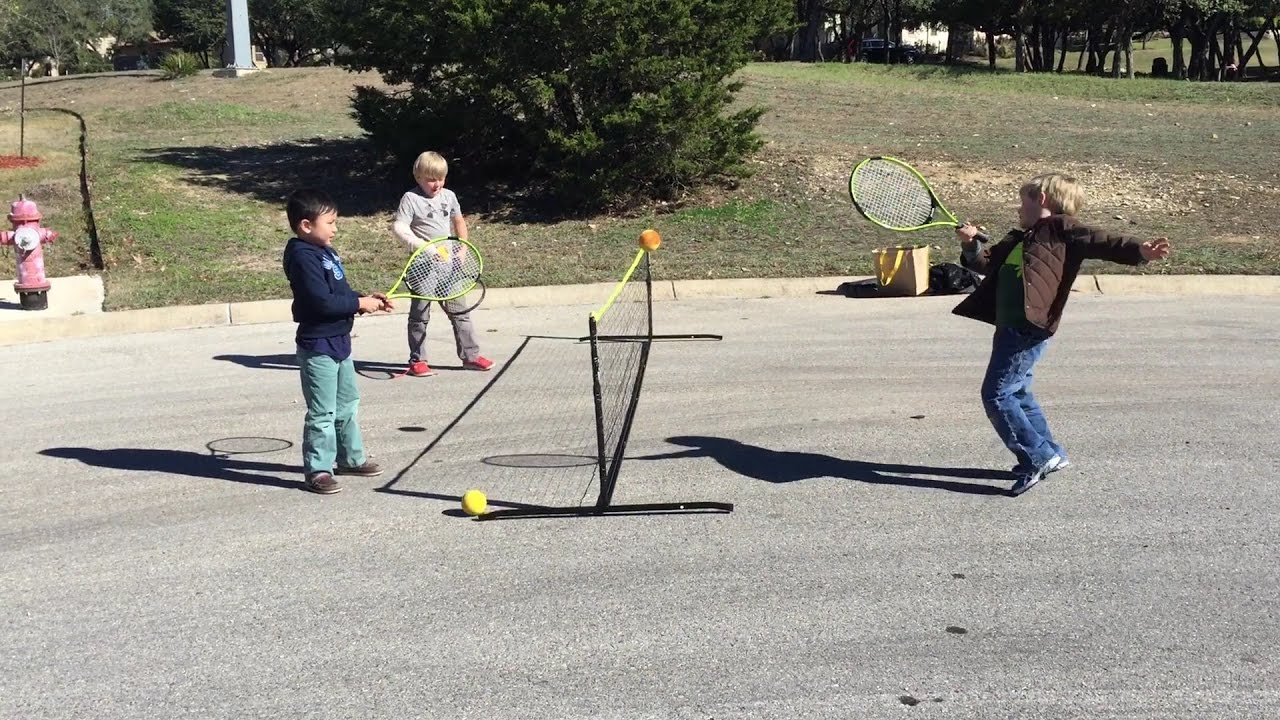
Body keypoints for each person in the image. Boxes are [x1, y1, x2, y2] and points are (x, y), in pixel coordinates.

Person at [953, 172, 1171, 496]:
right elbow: (985, 264)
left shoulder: (1062, 228)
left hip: (1027, 328)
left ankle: (1037, 457)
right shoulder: (1020, 237)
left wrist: (1140, 251)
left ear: (1041, 199)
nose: (1017, 209)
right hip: (1011, 325)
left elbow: (1104, 241)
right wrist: (970, 243)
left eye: (1022, 201)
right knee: (1018, 393)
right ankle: (1052, 452)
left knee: (997, 395)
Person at [283, 188, 391, 495]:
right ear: (306, 225)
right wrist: (358, 305)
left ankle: (350, 459)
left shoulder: (326, 252)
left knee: (347, 404)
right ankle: (318, 469)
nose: (335, 228)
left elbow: (338, 294)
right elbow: (320, 303)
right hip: (318, 345)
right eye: (330, 222)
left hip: (340, 341)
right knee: (322, 412)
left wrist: (364, 298)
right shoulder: (303, 258)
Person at [391, 151, 494, 376]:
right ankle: (418, 360)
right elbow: (400, 227)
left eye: (441, 178)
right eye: (430, 179)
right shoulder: (410, 199)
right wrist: (424, 247)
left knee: (461, 312)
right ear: (417, 177)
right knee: (420, 315)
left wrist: (463, 247)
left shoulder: (449, 196)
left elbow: (458, 221)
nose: (436, 184)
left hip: (450, 268)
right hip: (423, 268)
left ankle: (471, 356)